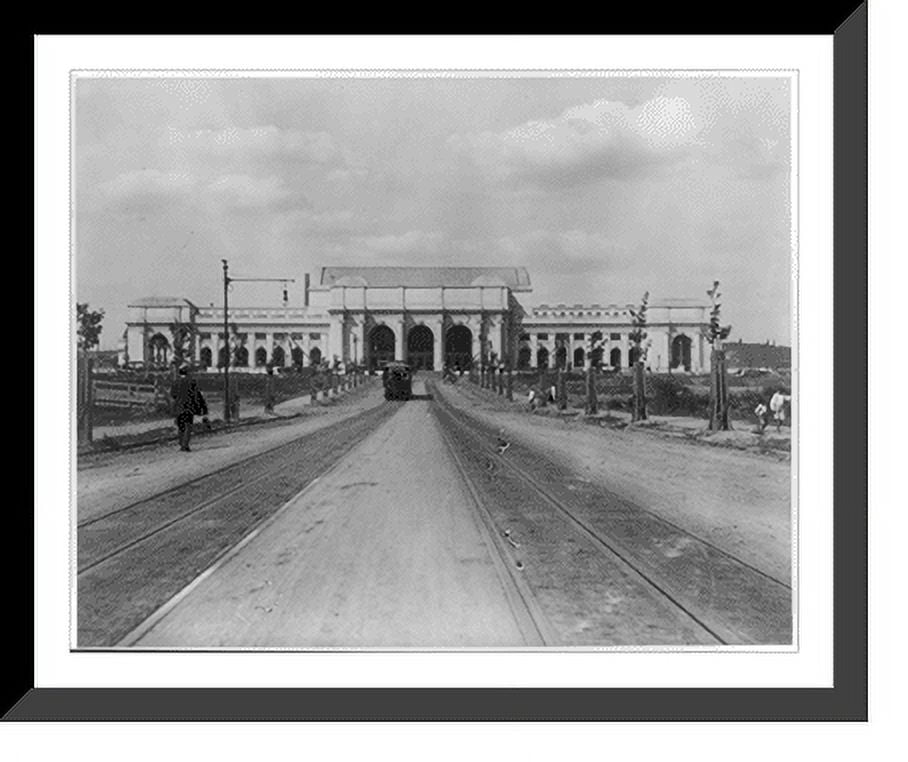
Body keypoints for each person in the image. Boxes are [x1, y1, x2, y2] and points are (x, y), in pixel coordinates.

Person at [170, 364, 209, 452]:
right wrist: (202, 408)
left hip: (179, 407)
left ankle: (181, 444)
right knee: (188, 426)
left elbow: (173, 395)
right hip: (189, 407)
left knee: (181, 426)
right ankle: (185, 445)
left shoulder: (175, 382)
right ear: (187, 372)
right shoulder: (192, 382)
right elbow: (197, 395)